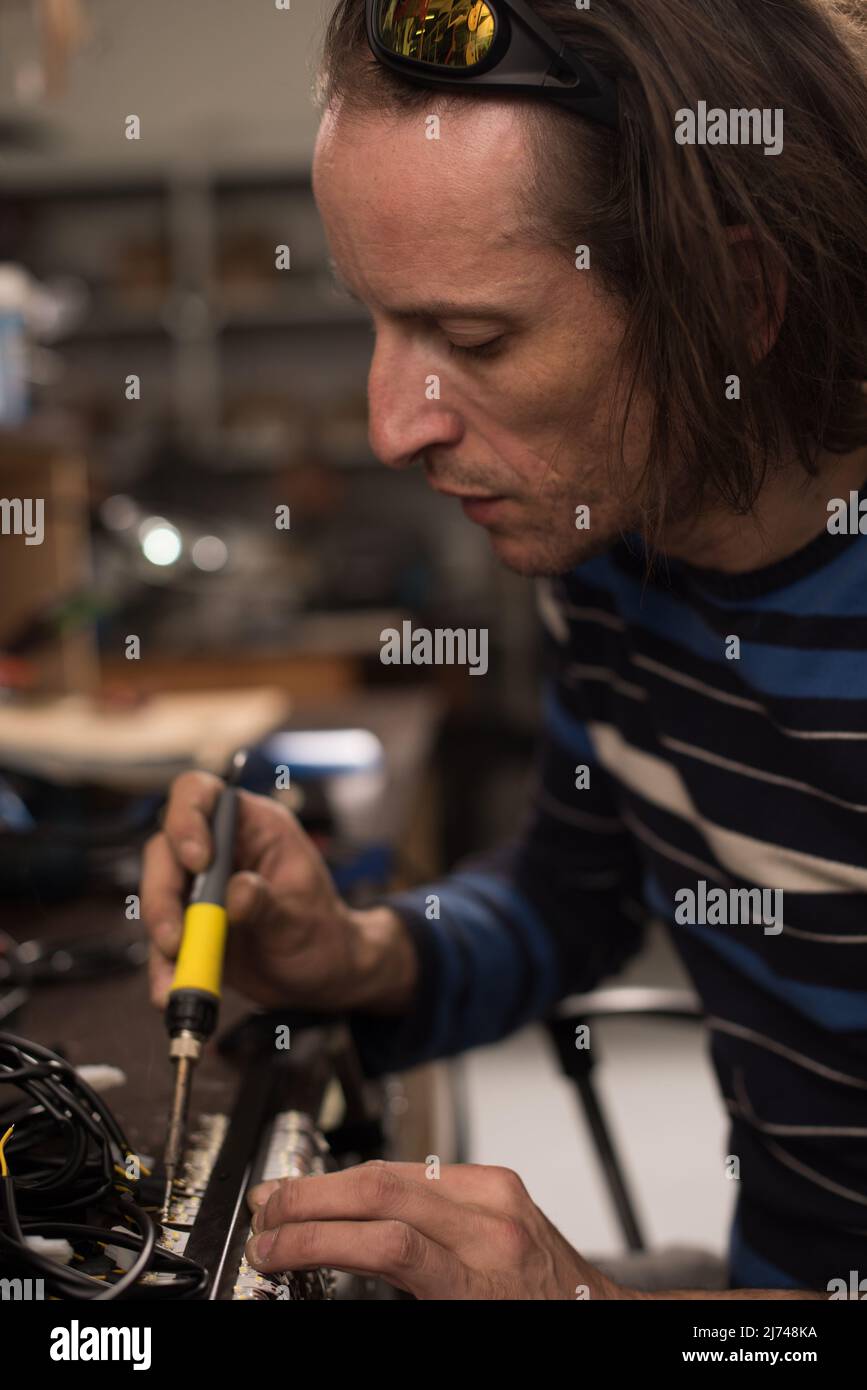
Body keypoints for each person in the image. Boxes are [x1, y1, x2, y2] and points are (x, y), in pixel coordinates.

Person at [141, 0, 867, 1299]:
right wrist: (355, 952)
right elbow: (571, 893)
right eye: (375, 318)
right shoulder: (614, 547)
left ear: (738, 295)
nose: (387, 427)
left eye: (474, 340)